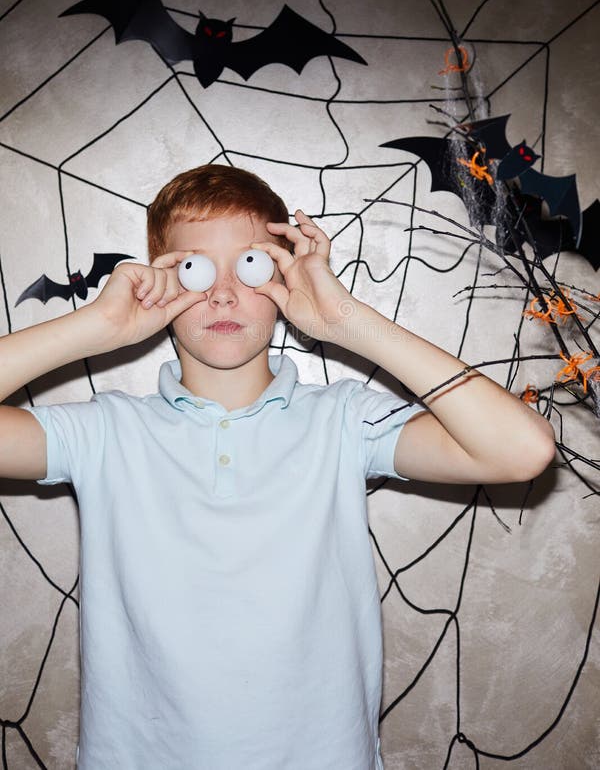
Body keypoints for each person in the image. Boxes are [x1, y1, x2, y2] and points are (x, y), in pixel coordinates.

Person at [0, 164, 555, 770]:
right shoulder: (105, 432)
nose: (222, 293)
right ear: (159, 279)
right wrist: (92, 326)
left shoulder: (342, 422)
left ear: (284, 273)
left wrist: (348, 322)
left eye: (251, 265)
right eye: (195, 268)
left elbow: (521, 450)